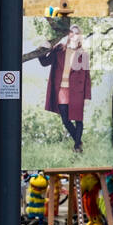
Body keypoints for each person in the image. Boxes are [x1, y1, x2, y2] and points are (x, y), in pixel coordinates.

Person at [40, 23, 91, 154]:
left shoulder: (83, 55)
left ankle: (77, 148)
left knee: (78, 119)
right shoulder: (59, 49)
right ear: (68, 35)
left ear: (80, 36)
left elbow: (86, 76)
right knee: (66, 120)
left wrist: (87, 96)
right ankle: (79, 141)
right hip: (61, 90)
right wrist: (42, 49)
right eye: (71, 32)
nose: (74, 35)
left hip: (77, 91)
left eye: (77, 33)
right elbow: (45, 62)